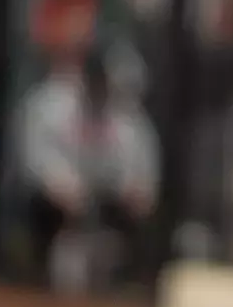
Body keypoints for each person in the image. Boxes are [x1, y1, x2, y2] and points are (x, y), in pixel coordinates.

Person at [16, 49, 160, 292]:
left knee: (134, 221)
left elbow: (143, 181)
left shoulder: (129, 119)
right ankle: (39, 283)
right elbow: (34, 158)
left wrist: (133, 191)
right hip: (60, 205)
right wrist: (58, 182)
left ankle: (124, 286)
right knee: (45, 207)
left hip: (108, 206)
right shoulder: (54, 106)